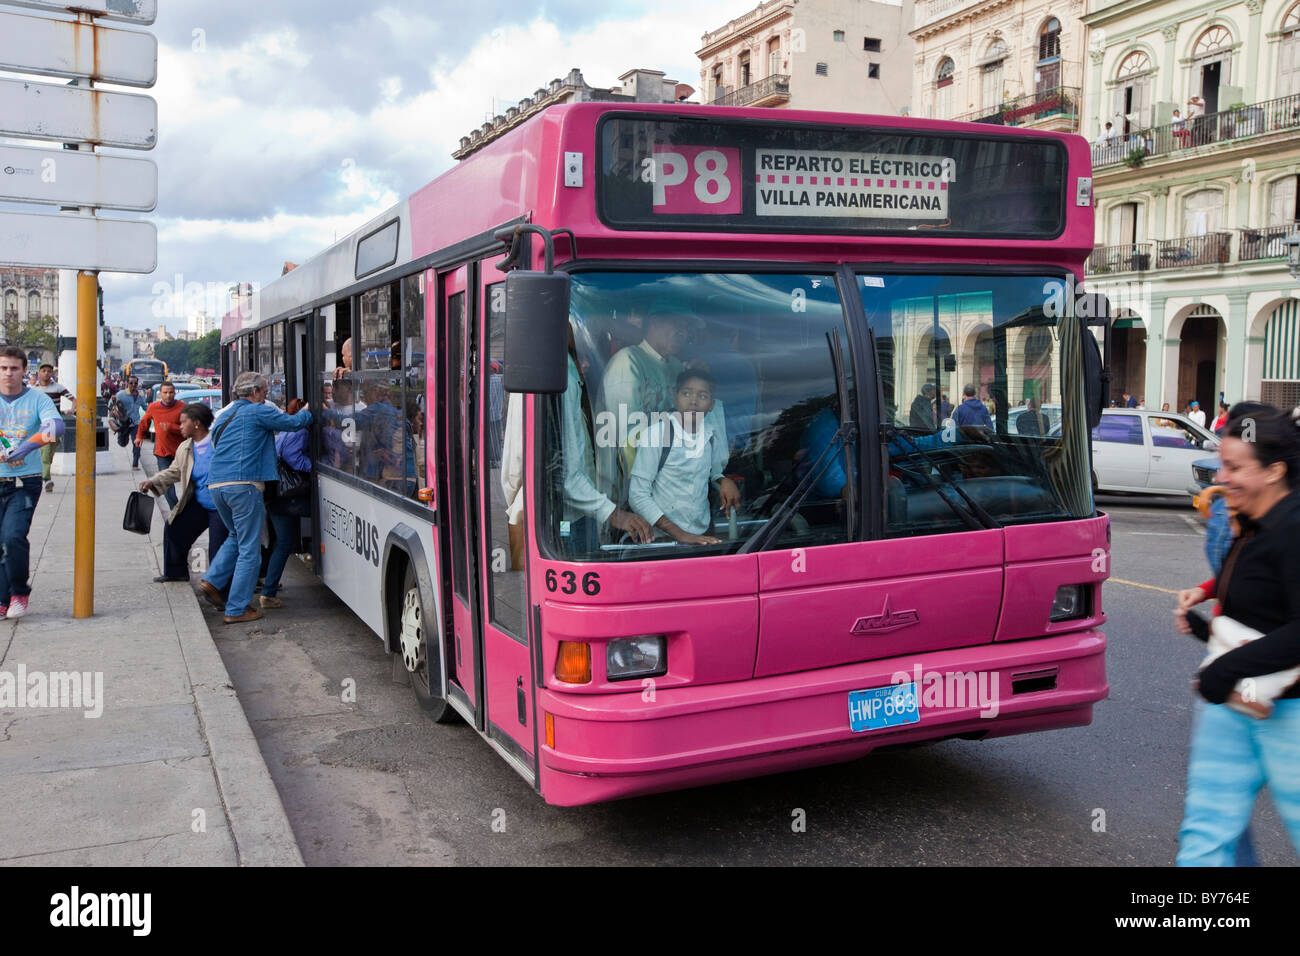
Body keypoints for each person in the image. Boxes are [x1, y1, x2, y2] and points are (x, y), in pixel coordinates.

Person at [1173, 407, 1300, 865]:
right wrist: (1207, 631)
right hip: (1233, 705)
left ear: (1274, 471)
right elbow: (1254, 619)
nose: (1221, 477)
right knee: (1206, 837)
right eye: (1221, 463)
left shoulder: (1293, 527)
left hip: (1290, 712)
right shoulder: (1246, 522)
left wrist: (1226, 667)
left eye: (1235, 467)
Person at [197, 372, 311, 624]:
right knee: (251, 550)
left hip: (216, 485)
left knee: (236, 536)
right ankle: (236, 609)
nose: (267, 394)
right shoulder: (258, 411)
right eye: (265, 390)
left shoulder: (224, 414)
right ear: (255, 392)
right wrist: (310, 408)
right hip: (244, 486)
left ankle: (212, 579)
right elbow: (294, 423)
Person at [557, 340, 652, 553]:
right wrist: (614, 513)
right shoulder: (563, 379)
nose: (588, 364)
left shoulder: (571, 378)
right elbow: (568, 475)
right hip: (569, 520)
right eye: (582, 357)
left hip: (585, 512)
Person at [628, 370, 740, 546]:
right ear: (675, 397)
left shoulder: (712, 435)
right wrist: (680, 535)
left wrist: (724, 481)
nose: (693, 401)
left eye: (702, 396)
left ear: (711, 404)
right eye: (686, 393)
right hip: (662, 539)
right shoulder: (656, 435)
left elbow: (713, 472)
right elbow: (637, 495)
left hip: (703, 533)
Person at [0, 346, 64, 618]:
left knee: (13, 536)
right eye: (3, 368)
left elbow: (55, 428)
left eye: (14, 368)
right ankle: (2, 600)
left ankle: (18, 592)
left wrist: (23, 449)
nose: (8, 374)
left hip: (24, 482)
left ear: (25, 371)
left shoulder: (37, 399)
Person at [138, 402, 228, 583]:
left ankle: (219, 590)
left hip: (221, 505)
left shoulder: (218, 443)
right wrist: (153, 481)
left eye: (183, 422)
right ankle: (175, 572)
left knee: (217, 548)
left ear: (196, 423)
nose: (179, 427)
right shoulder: (185, 447)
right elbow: (175, 471)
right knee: (174, 528)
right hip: (200, 502)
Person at [261, 398, 312, 609]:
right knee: (320, 515)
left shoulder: (283, 432)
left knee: (282, 543)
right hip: (290, 496)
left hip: (276, 496)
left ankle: (269, 591)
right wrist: (314, 467)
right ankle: (268, 591)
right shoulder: (300, 431)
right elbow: (294, 458)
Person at [136, 381, 185, 507]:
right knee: (166, 483)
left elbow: (189, 429)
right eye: (165, 393)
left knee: (188, 481)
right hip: (162, 451)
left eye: (171, 392)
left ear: (175, 393)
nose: (168, 395)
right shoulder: (153, 407)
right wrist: (139, 437)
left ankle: (187, 508)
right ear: (160, 394)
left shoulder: (182, 407)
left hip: (181, 452)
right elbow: (144, 423)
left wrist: (171, 427)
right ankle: (175, 509)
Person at [35, 363, 73, 493]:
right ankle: (46, 479)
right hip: (41, 426)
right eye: (44, 371)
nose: (46, 373)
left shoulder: (58, 388)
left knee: (49, 454)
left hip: (54, 424)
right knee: (45, 453)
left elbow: (74, 399)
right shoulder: (34, 390)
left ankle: (43, 475)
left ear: (53, 374)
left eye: (49, 371)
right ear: (39, 373)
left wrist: (71, 410)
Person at [112, 377, 148, 469]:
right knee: (122, 443)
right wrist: (114, 412)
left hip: (136, 423)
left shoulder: (140, 395)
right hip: (124, 423)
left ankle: (135, 464)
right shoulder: (121, 395)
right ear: (127, 383)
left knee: (137, 443)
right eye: (131, 383)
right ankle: (123, 440)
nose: (133, 385)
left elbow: (145, 407)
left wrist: (153, 413)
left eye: (135, 383)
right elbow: (111, 405)